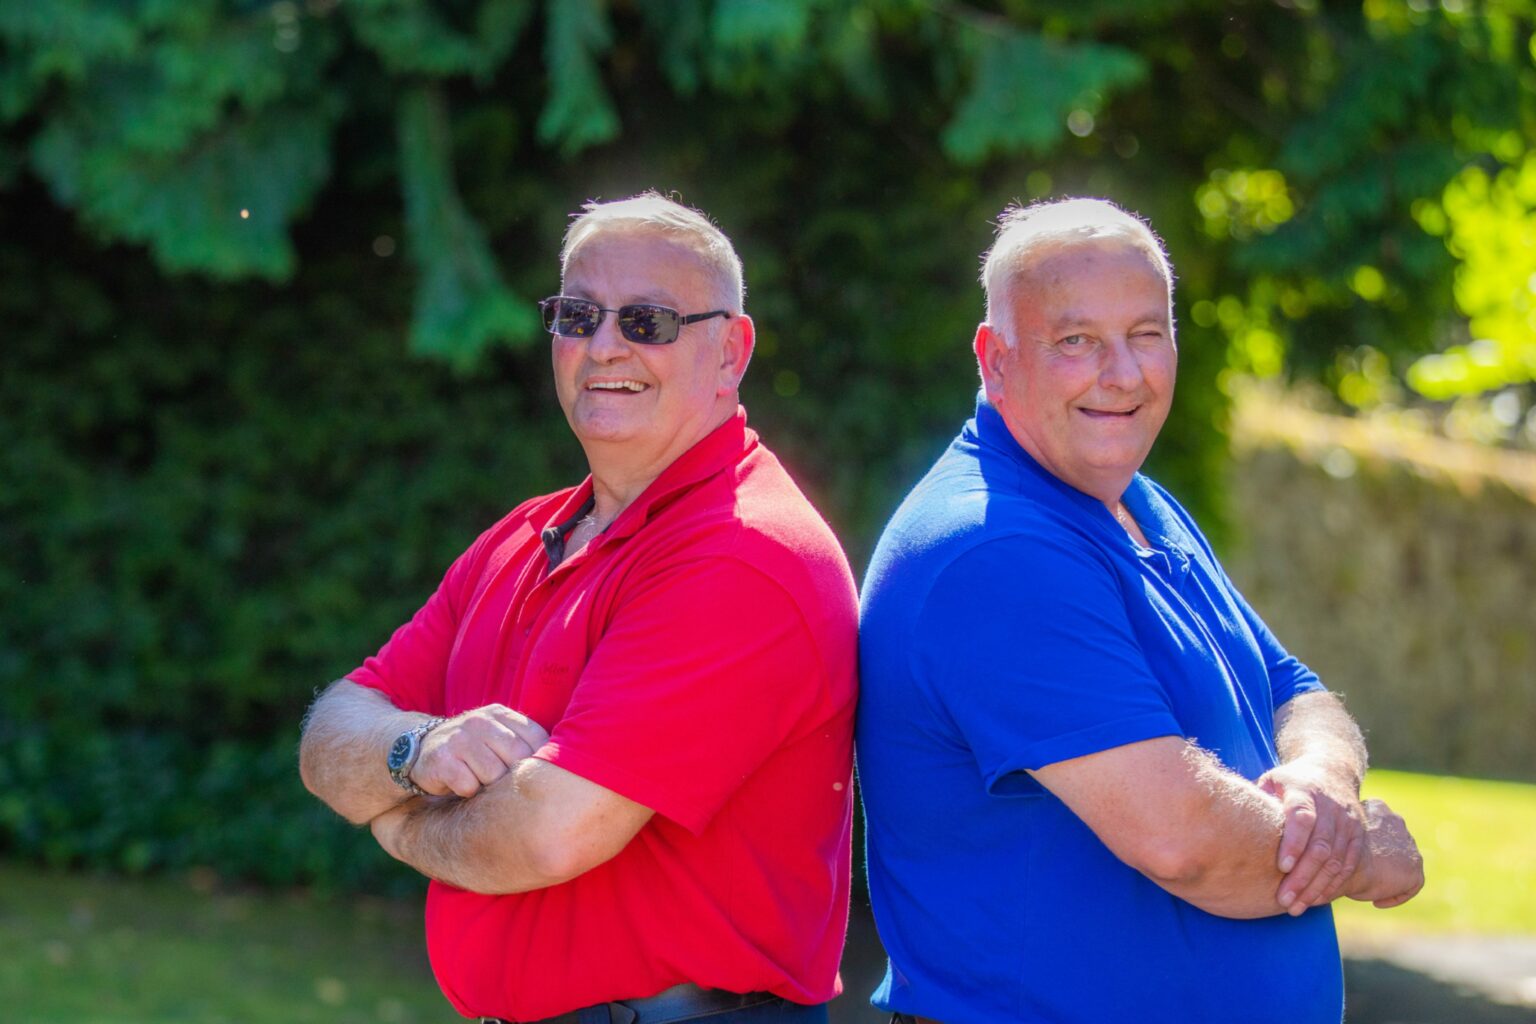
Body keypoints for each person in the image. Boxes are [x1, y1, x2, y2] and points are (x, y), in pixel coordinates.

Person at [856, 197, 1423, 1024]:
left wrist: (1320, 779)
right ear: (995, 359)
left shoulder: (1138, 503)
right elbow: (1184, 843)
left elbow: (1294, 687)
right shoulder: (993, 549)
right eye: (1077, 341)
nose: (1122, 374)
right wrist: (1361, 856)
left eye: (1147, 334)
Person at [300, 192, 858, 1024]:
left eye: (648, 322)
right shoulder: (528, 534)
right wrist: (417, 751)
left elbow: (547, 835)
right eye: (577, 314)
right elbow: (329, 730)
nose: (604, 346)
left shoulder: (743, 555)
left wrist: (394, 820)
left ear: (730, 351)